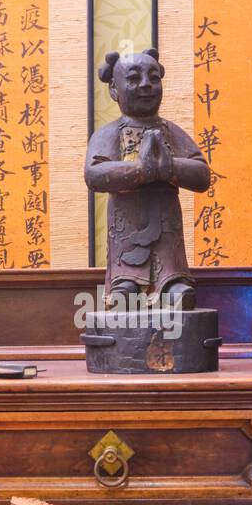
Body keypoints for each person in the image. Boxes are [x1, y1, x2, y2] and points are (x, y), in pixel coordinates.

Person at [84, 49, 211, 310]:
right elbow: (94, 174)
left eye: (153, 77)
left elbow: (201, 174)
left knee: (177, 288)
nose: (145, 84)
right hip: (127, 229)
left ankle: (171, 284)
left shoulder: (170, 131)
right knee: (125, 290)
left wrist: (170, 167)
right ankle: (125, 285)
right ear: (114, 90)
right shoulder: (108, 133)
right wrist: (142, 170)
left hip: (166, 231)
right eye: (134, 78)